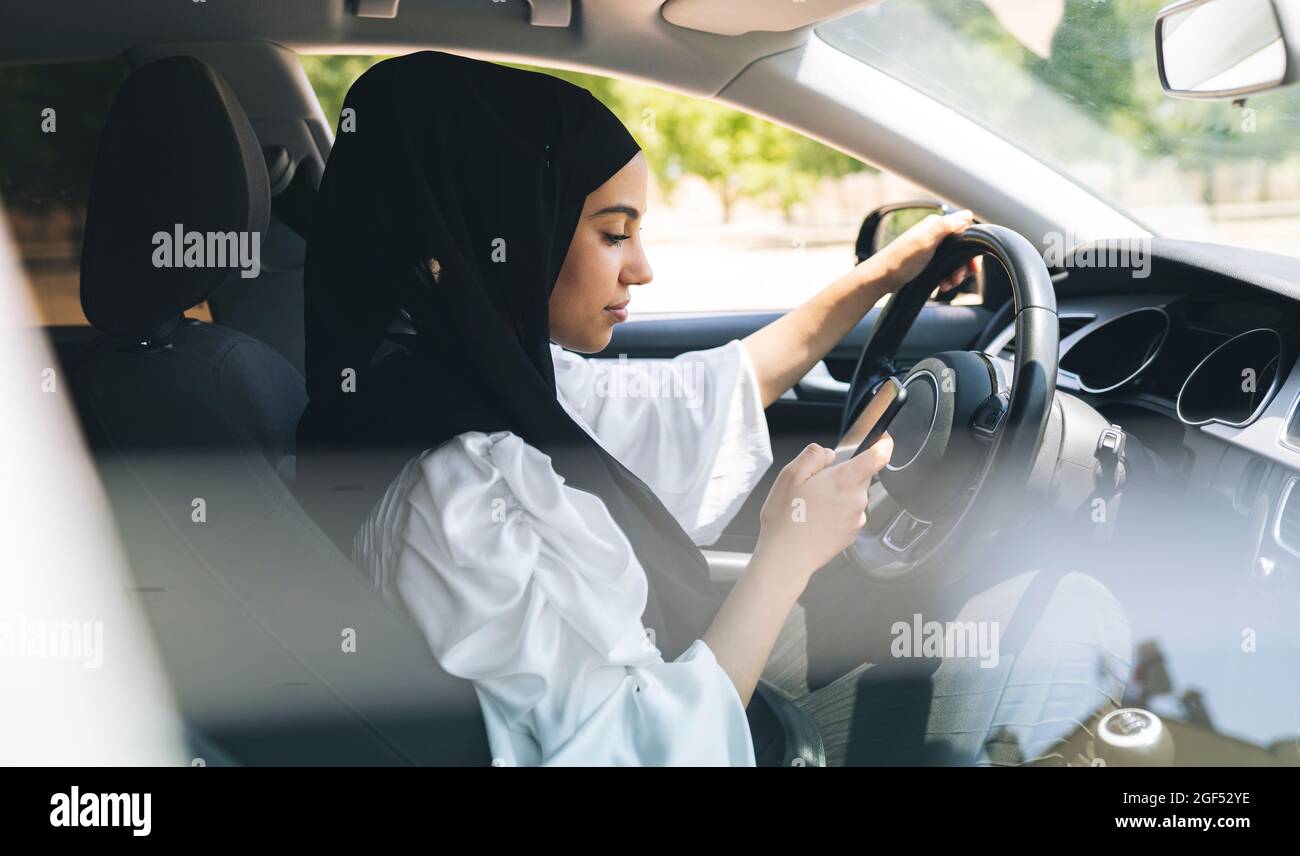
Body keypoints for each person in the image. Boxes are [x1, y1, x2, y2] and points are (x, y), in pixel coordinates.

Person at [296, 50, 1034, 766]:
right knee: (1038, 641)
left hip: (689, 689)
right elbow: (642, 750)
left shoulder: (476, 391)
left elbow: (702, 396)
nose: (642, 268)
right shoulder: (467, 489)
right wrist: (789, 551)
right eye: (614, 234)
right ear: (509, 233)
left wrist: (883, 274)